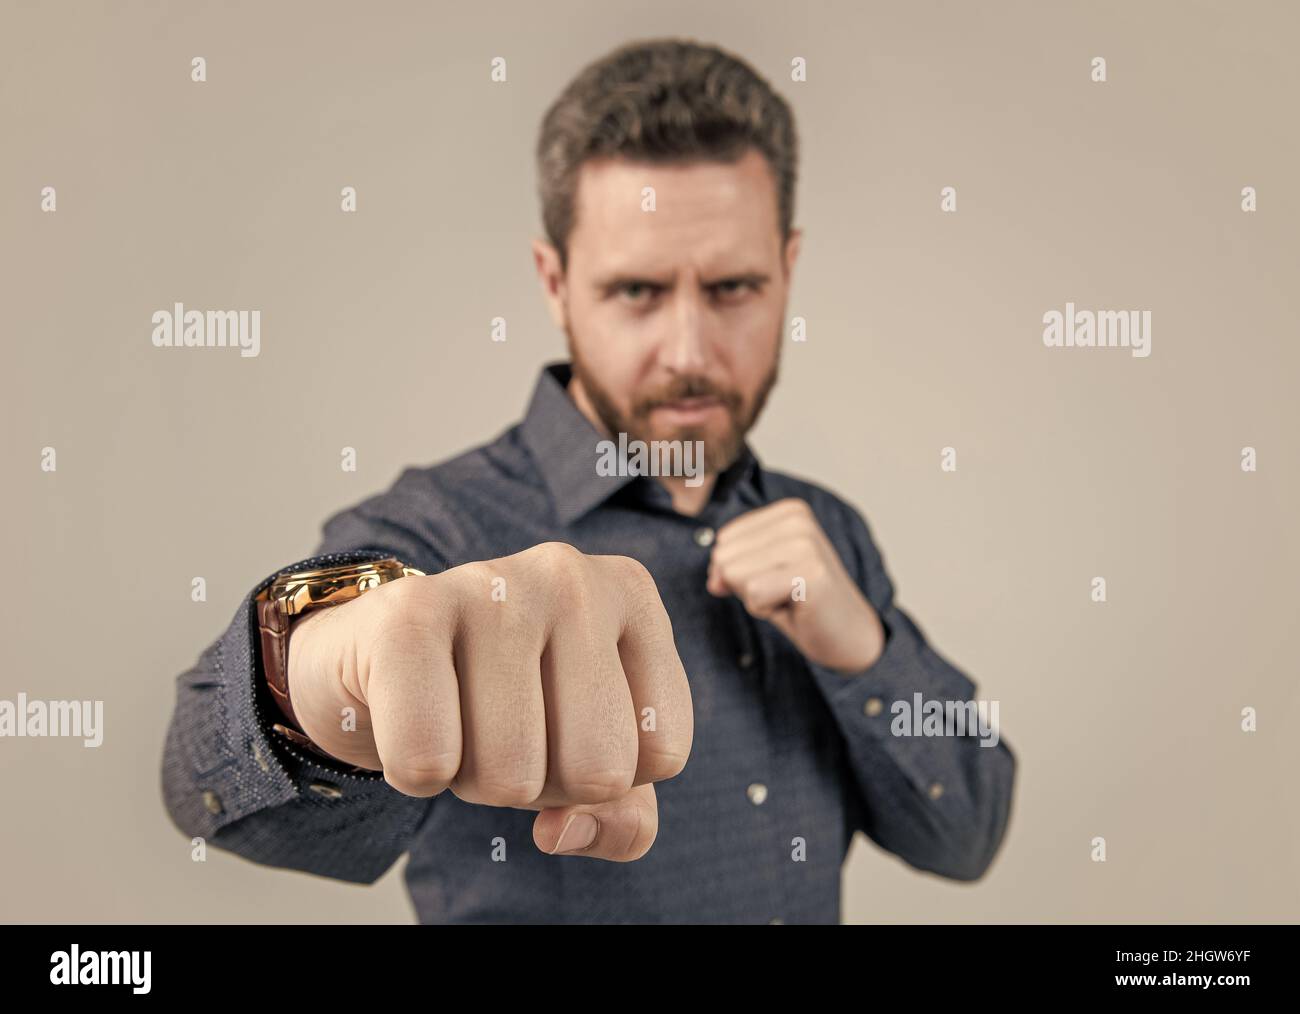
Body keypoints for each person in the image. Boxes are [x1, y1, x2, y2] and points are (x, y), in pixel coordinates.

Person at [161, 37, 1015, 924]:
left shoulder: (827, 531)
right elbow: (198, 777)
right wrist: (336, 673)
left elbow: (968, 833)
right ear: (556, 283)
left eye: (732, 288)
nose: (688, 352)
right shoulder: (444, 530)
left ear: (787, 274)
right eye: (637, 292)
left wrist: (865, 653)